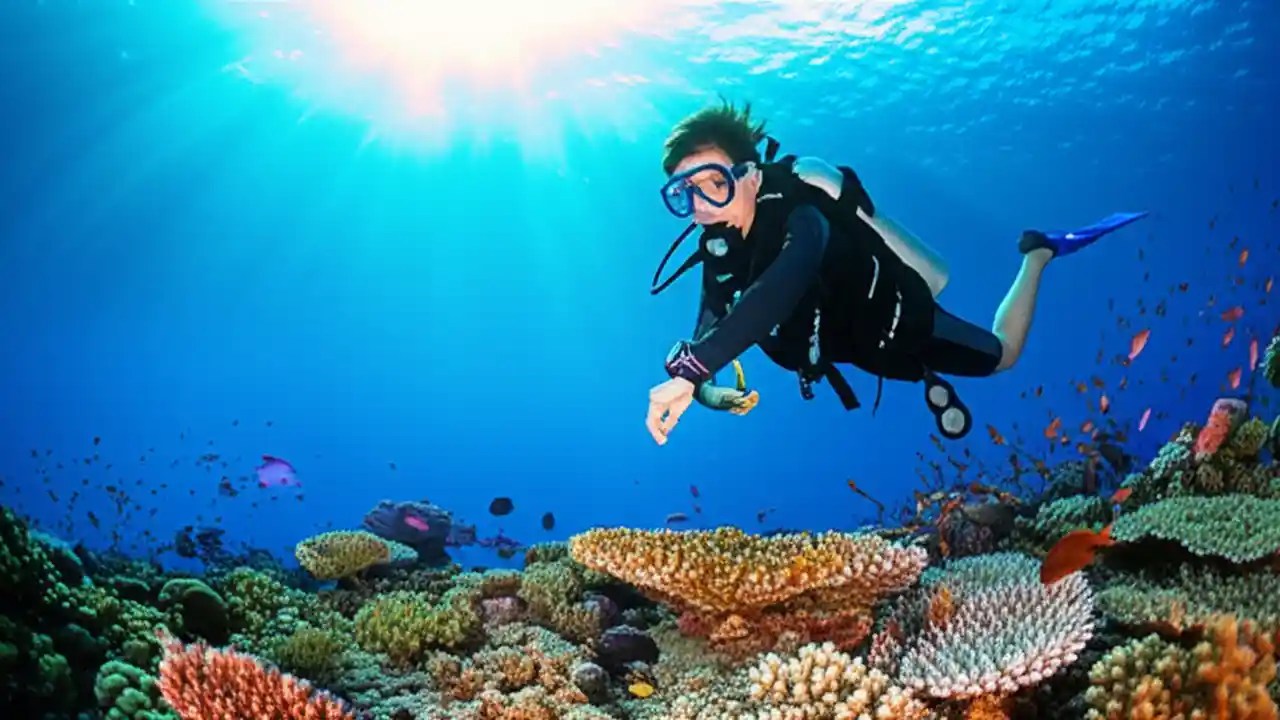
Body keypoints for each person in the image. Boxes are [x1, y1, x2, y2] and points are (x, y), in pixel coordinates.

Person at [643, 100, 1147, 446]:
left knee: (1003, 356)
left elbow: (782, 286)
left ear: (750, 175)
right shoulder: (721, 250)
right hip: (855, 349)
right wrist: (706, 391)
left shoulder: (803, 215)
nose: (701, 207)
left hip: (904, 320)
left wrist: (695, 369)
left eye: (714, 184)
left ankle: (1037, 254)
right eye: (683, 194)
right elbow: (706, 332)